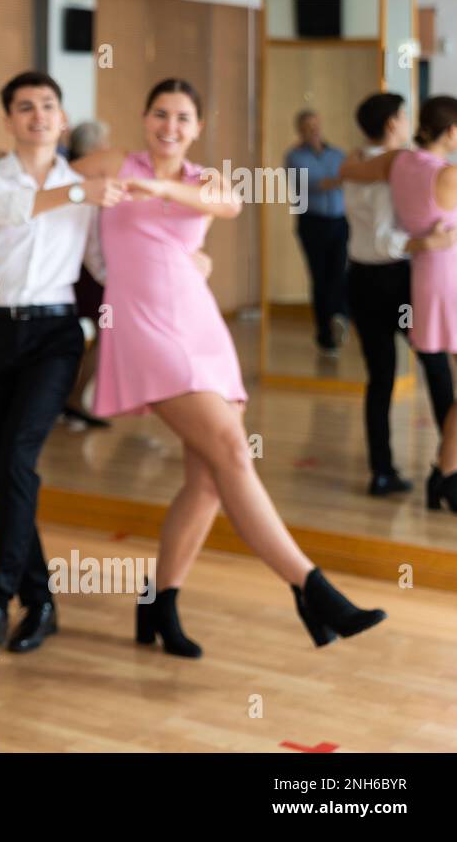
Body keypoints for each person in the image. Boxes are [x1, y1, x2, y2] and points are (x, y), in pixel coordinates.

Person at [75, 78, 387, 657]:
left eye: (183, 118)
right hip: (142, 329)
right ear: (145, 118)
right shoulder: (115, 160)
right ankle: (311, 588)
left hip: (201, 328)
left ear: (196, 127)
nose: (170, 126)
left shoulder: (205, 180)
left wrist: (154, 191)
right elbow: (51, 177)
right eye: (161, 113)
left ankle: (158, 605)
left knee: (207, 481)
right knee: (234, 454)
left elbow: (226, 204)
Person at [0, 75, 125, 655]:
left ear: (62, 117)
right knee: (1, 474)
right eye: (25, 107)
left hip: (55, 335)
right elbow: (11, 212)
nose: (37, 115)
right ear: (8, 119)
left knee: (19, 462)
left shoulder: (84, 185)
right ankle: (43, 596)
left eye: (47, 106)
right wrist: (85, 192)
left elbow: (106, 263)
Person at [340, 95, 457, 511]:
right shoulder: (398, 167)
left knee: (382, 378)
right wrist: (426, 241)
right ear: (392, 124)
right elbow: (386, 237)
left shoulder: (369, 165)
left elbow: (344, 170)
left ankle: (382, 470)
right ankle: (449, 469)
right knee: (436, 367)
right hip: (396, 278)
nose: (408, 122)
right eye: (404, 116)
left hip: (360, 278)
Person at [63, 119, 114, 429]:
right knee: (107, 332)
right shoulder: (86, 179)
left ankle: (71, 397)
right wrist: (107, 275)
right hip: (88, 270)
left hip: (80, 268)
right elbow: (92, 235)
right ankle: (74, 397)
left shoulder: (67, 171)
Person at [285, 109, 349, 355]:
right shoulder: (294, 157)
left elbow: (347, 180)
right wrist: (344, 177)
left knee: (339, 272)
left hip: (340, 221)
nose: (313, 130)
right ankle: (326, 336)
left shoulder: (337, 154)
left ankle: (339, 317)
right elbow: (313, 184)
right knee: (320, 278)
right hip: (312, 223)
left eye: (316, 125)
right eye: (307, 127)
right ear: (300, 130)